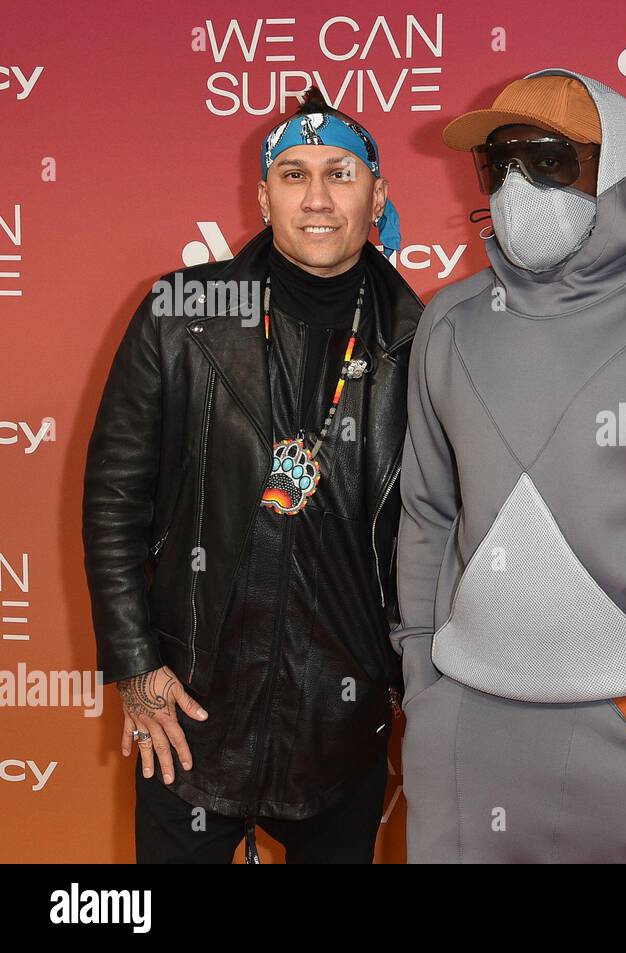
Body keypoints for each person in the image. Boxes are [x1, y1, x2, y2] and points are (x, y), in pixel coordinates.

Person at [394, 69, 626, 863]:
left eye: (550, 159)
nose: (519, 183)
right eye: (501, 162)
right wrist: (425, 680)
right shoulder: (451, 320)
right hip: (466, 724)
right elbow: (426, 510)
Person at [83, 87, 423, 863]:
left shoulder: (423, 342)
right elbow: (113, 500)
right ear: (262, 193)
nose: (317, 197)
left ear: (377, 196)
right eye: (293, 173)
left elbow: (439, 532)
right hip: (191, 711)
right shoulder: (181, 315)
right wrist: (137, 667)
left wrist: (402, 682)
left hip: (340, 723)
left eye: (340, 173)